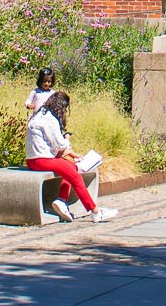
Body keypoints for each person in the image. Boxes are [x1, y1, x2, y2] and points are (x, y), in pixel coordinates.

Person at [25, 91, 116, 224]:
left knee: (72, 165)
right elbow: (60, 144)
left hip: (33, 159)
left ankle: (61, 201)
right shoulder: (50, 119)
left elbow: (49, 144)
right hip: (42, 160)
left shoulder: (38, 115)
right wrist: (67, 138)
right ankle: (95, 212)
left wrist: (72, 155)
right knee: (75, 176)